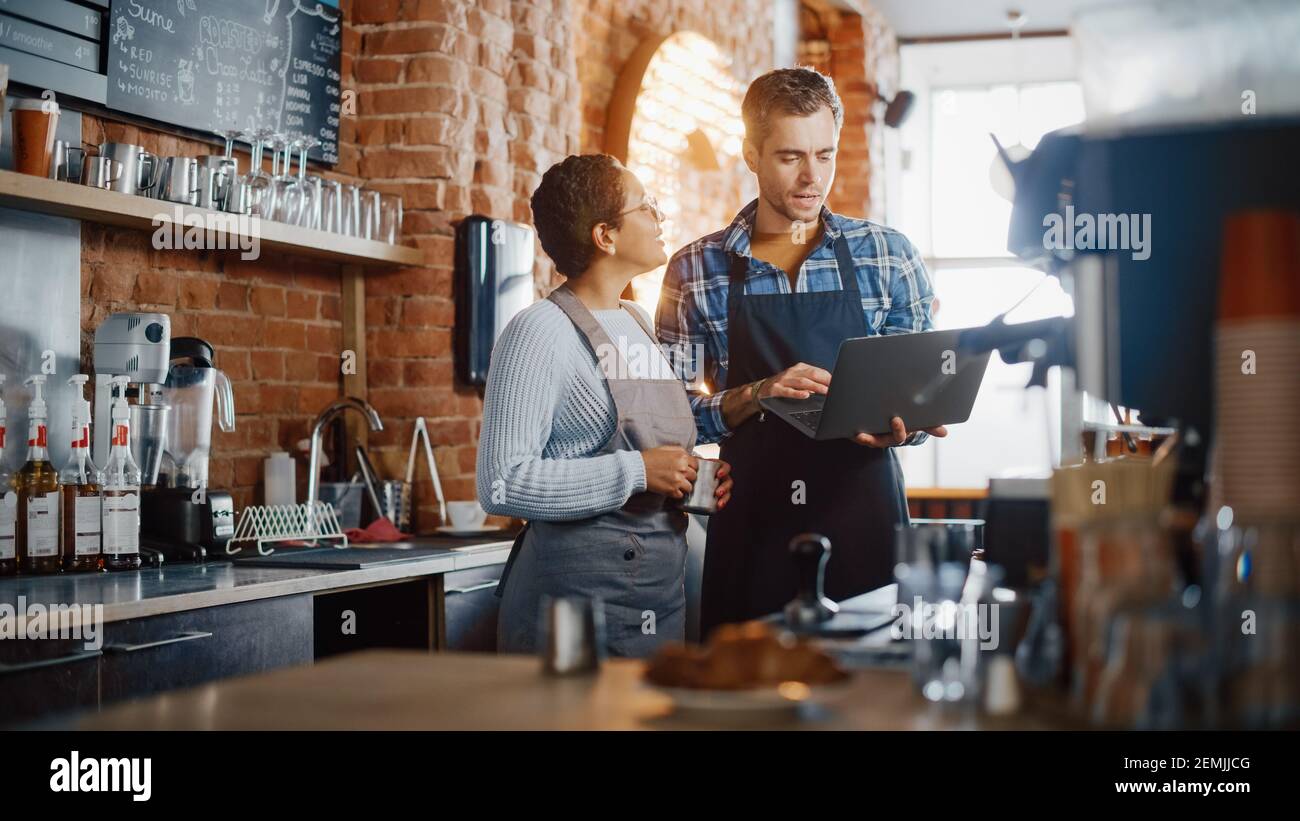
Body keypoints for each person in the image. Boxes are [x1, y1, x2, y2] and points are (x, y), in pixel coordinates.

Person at [656, 67, 945, 638]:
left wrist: (906, 426)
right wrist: (754, 395)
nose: (813, 176)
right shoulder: (695, 269)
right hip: (752, 526)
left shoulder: (887, 255)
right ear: (751, 154)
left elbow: (922, 391)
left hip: (866, 522)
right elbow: (672, 415)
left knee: (870, 708)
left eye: (826, 154)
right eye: (791, 157)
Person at [480, 153, 733, 657]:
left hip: (657, 594)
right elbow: (501, 484)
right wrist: (639, 471)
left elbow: (648, 445)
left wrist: (686, 477)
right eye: (646, 206)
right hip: (573, 608)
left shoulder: (637, 321)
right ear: (606, 236)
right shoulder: (537, 332)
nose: (659, 217)